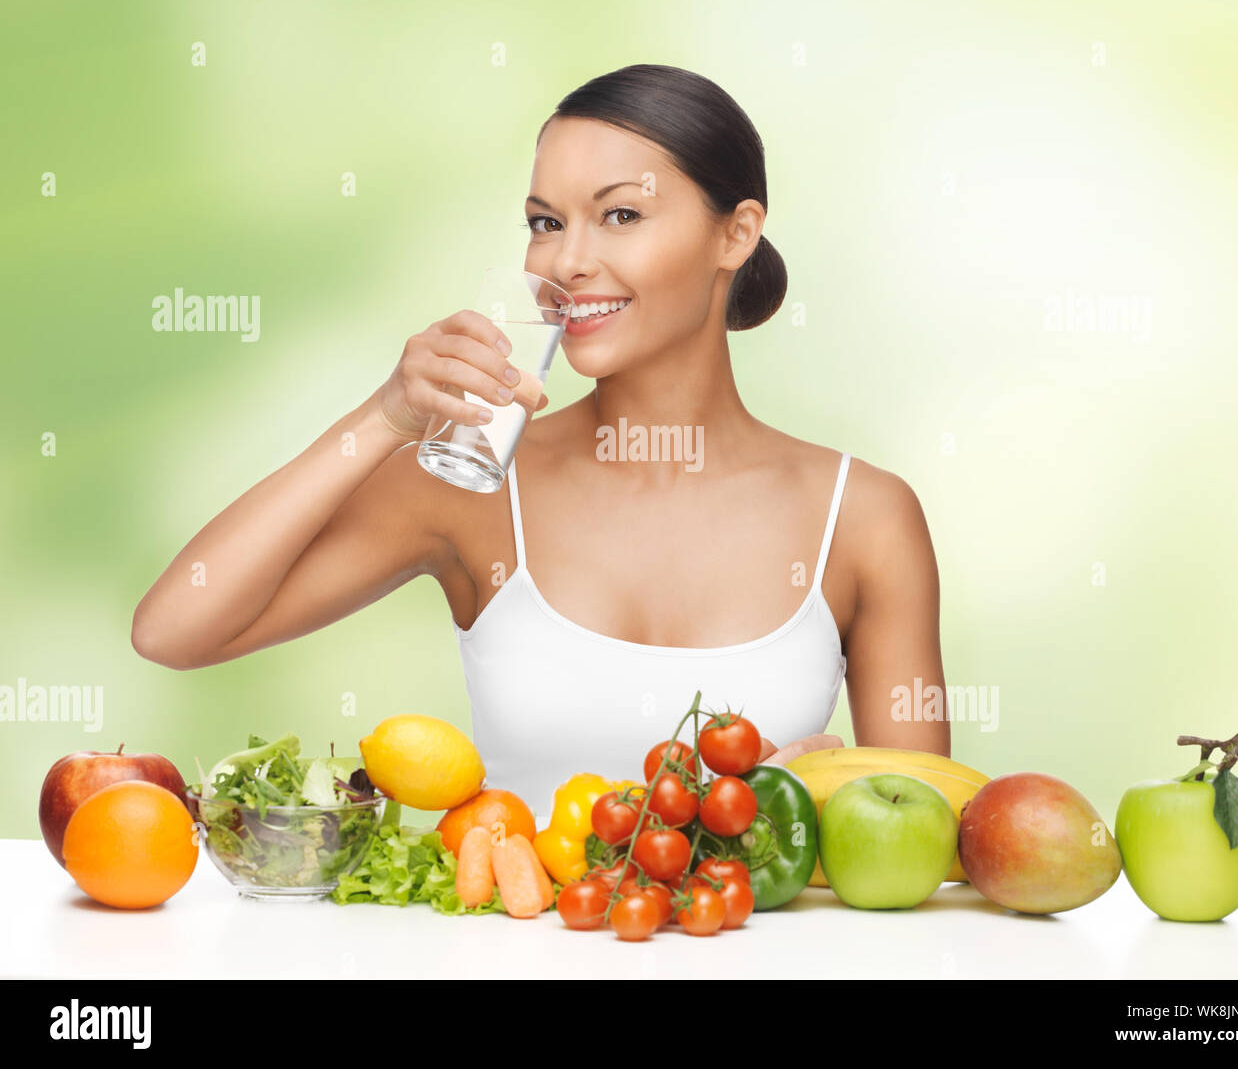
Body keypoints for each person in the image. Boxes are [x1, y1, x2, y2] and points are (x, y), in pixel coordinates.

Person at [132, 63, 949, 824]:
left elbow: (920, 840)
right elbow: (173, 631)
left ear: (736, 235)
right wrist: (383, 418)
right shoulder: (472, 481)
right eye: (545, 223)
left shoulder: (864, 517)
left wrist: (787, 804)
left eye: (620, 215)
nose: (567, 261)